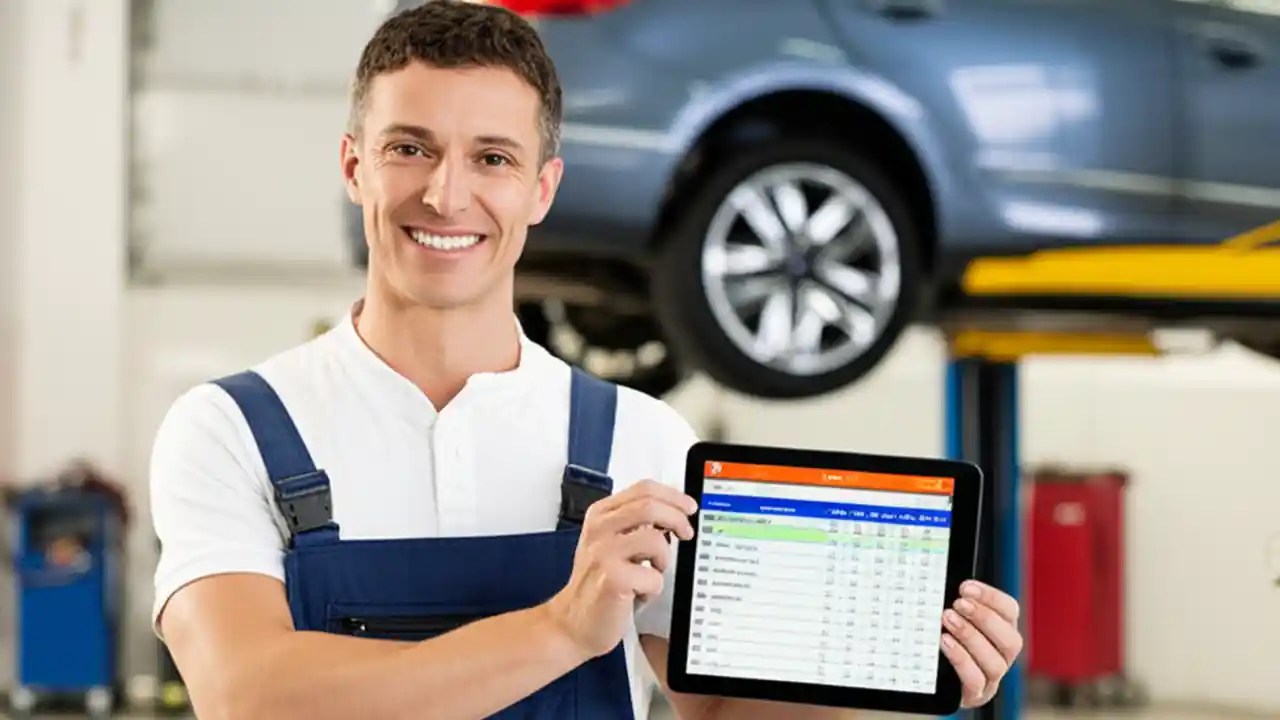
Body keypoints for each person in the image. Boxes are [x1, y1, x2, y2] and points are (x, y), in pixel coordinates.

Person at [149, 2, 1024, 718]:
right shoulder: (233, 430)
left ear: (541, 189)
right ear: (354, 167)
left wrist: (897, 679)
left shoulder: (638, 439)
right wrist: (564, 630)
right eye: (409, 148)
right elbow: (248, 694)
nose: (446, 193)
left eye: (492, 158)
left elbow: (719, 713)